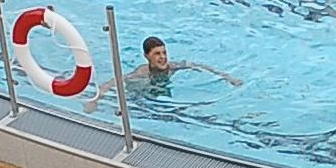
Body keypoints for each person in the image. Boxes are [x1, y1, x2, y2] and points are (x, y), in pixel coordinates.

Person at [84, 36, 241, 113]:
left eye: (164, 52)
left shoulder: (172, 67)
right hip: (141, 95)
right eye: (157, 54)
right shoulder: (141, 73)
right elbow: (112, 82)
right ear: (147, 56)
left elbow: (201, 66)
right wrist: (95, 100)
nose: (163, 57)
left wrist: (229, 78)